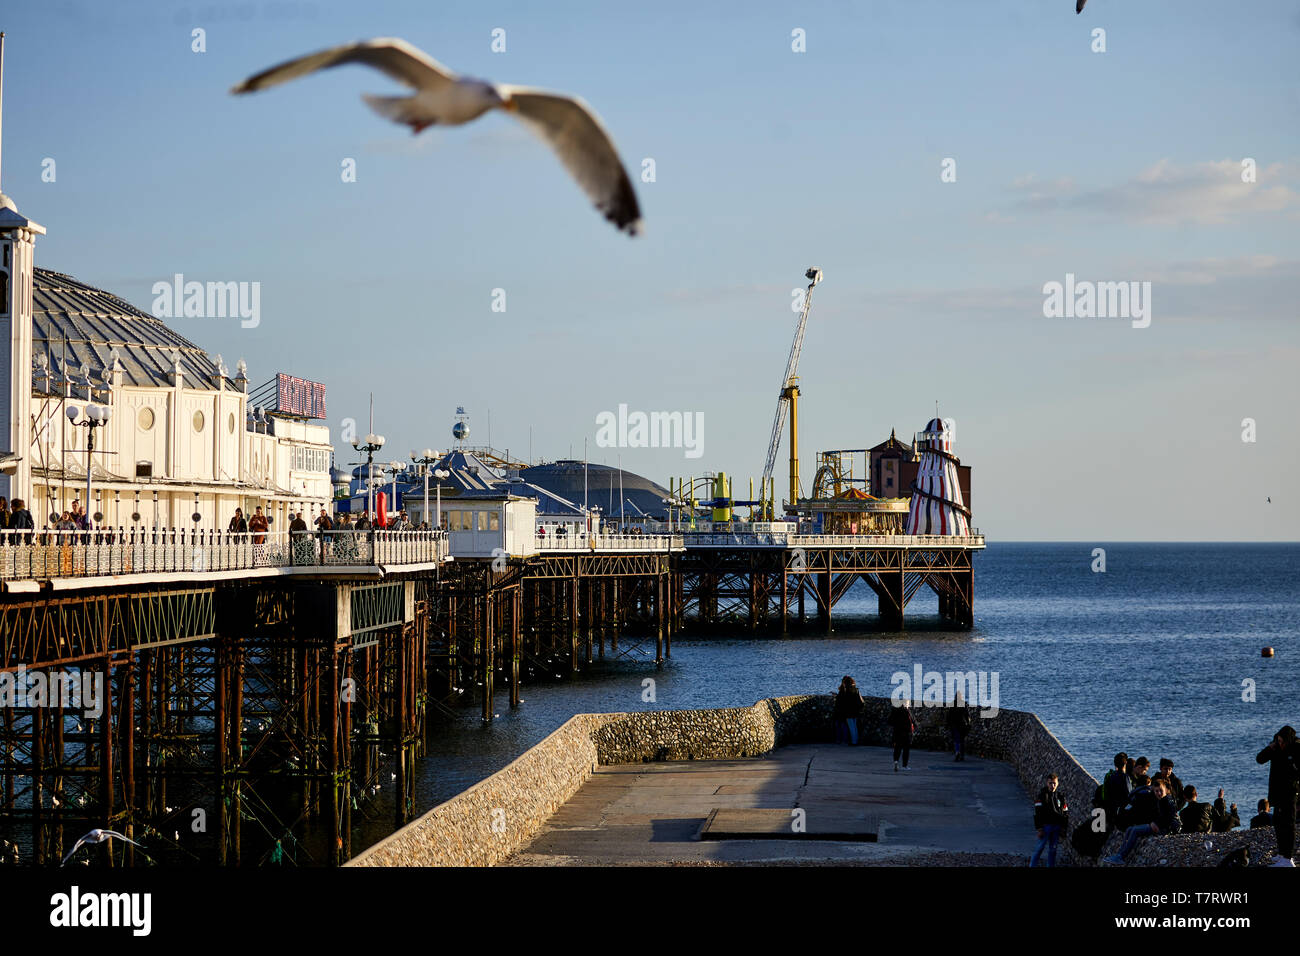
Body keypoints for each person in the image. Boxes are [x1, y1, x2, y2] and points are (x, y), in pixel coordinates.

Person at [1104, 777, 1180, 864]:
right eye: (1156, 791)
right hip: (1160, 825)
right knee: (1129, 829)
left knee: (1135, 831)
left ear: (1166, 789)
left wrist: (1155, 824)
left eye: (1160, 790)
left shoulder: (1166, 800)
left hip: (1166, 829)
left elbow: (1169, 817)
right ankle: (1119, 854)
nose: (1158, 793)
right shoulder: (1163, 799)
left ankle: (1121, 856)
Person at [1256, 726, 1299, 866]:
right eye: (1279, 741)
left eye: (1283, 741)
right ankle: (1282, 854)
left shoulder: (1296, 749)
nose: (1281, 744)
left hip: (1290, 793)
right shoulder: (1275, 748)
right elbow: (1260, 759)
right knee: (1278, 823)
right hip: (1277, 793)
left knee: (1289, 825)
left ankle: (1288, 858)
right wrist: (1271, 747)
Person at [1032, 773, 1070, 867]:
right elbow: (1037, 813)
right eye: (1050, 783)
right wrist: (1039, 828)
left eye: (1054, 783)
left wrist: (1064, 828)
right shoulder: (1041, 796)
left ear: (1058, 783)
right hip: (1045, 827)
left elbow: (1065, 813)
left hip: (1056, 827)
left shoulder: (1061, 797)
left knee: (1053, 850)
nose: (1052, 785)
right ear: (1047, 783)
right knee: (1039, 849)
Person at [1100, 753, 1132, 831]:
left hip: (1112, 808)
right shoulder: (1125, 777)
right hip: (1121, 809)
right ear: (1126, 763)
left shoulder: (1111, 776)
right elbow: (1130, 794)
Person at [832, 676, 864, 745]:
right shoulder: (856, 689)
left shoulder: (847, 690)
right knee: (855, 727)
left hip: (849, 711)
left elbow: (843, 700)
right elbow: (860, 701)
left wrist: (836, 696)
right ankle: (856, 740)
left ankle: (854, 742)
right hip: (856, 710)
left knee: (851, 727)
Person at [888, 699, 915, 772]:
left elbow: (889, 721)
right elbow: (912, 721)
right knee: (906, 750)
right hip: (906, 733)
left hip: (897, 732)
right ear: (906, 704)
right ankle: (904, 765)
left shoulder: (895, 710)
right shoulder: (907, 711)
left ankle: (896, 762)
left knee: (897, 748)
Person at [946, 693, 972, 761]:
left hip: (954, 725)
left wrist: (948, 724)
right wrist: (969, 723)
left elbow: (949, 715)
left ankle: (957, 752)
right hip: (962, 725)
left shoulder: (952, 704)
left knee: (956, 740)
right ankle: (962, 755)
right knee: (962, 740)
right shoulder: (963, 704)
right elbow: (967, 715)